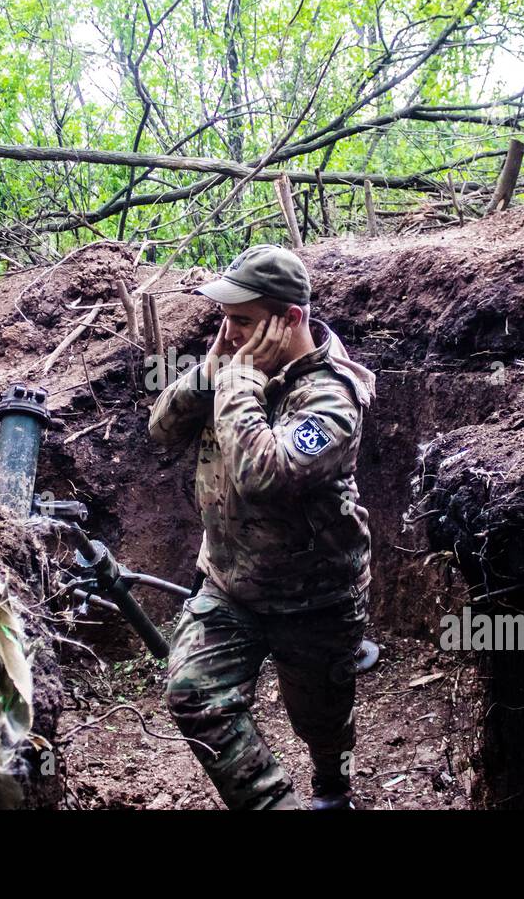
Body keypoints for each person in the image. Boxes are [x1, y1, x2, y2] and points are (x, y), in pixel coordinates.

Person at [147, 244, 377, 810]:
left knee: (321, 722)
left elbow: (263, 476)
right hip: (230, 586)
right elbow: (160, 429)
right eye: (224, 318)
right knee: (192, 696)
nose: (227, 332)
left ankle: (332, 788)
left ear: (290, 319)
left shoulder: (332, 395)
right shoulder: (229, 367)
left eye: (242, 320)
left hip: (315, 596)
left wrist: (238, 387)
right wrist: (209, 374)